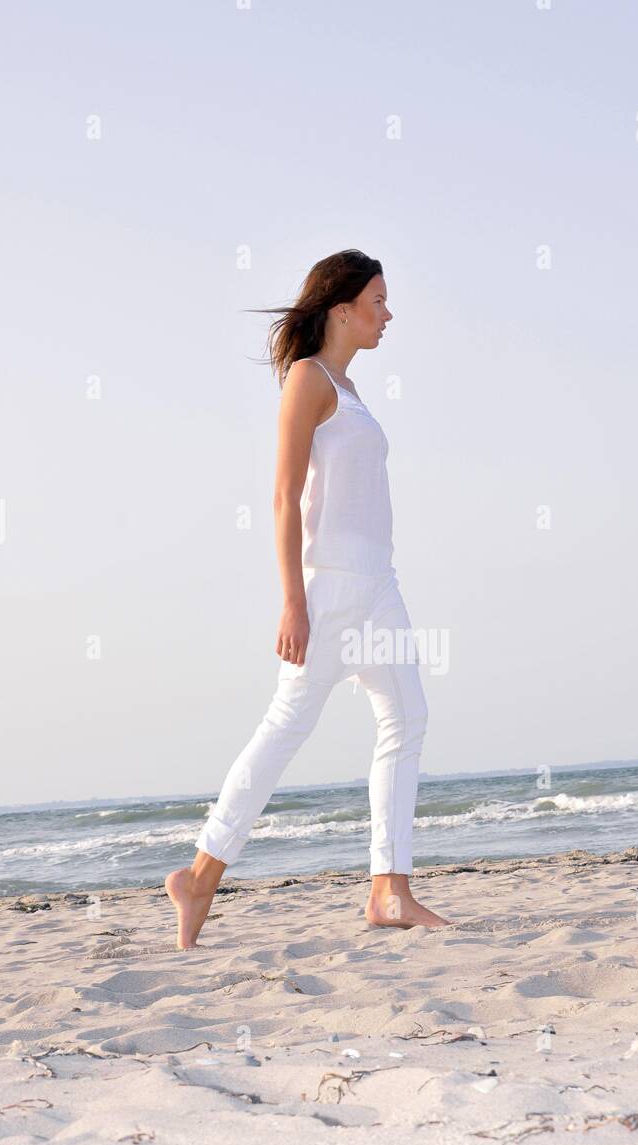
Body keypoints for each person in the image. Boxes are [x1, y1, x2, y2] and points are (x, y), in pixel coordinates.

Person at [166, 249, 450, 948]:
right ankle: (201, 874)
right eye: (378, 300)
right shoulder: (307, 379)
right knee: (286, 727)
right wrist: (293, 601)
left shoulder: (349, 392)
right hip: (328, 589)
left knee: (406, 717)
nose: (388, 314)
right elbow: (283, 497)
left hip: (378, 587)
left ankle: (389, 889)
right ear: (341, 306)